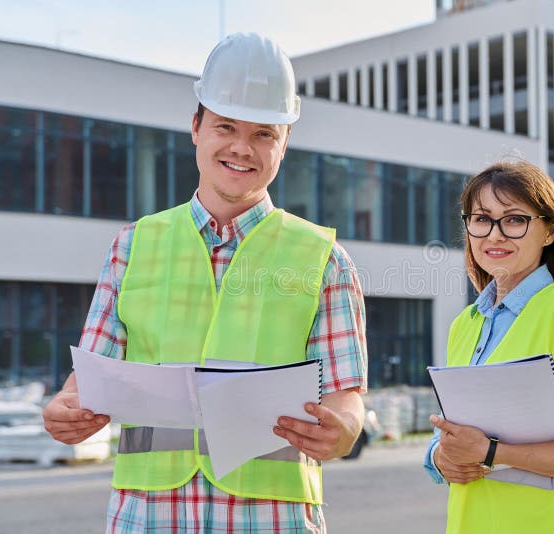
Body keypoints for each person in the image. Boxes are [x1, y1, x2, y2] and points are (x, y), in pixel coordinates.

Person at [42, 32, 367, 533]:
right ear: (195, 128)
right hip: (149, 515)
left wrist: (344, 430)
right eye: (226, 126)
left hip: (271, 518)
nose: (242, 147)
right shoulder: (132, 247)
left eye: (264, 133)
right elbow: (92, 375)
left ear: (284, 143)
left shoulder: (325, 260)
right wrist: (68, 407)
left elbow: (345, 397)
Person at [424, 160, 554, 533]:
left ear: (549, 231)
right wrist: (440, 458)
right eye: (482, 219)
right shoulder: (464, 325)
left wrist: (490, 453)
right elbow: (451, 439)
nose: (494, 235)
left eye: (514, 220)